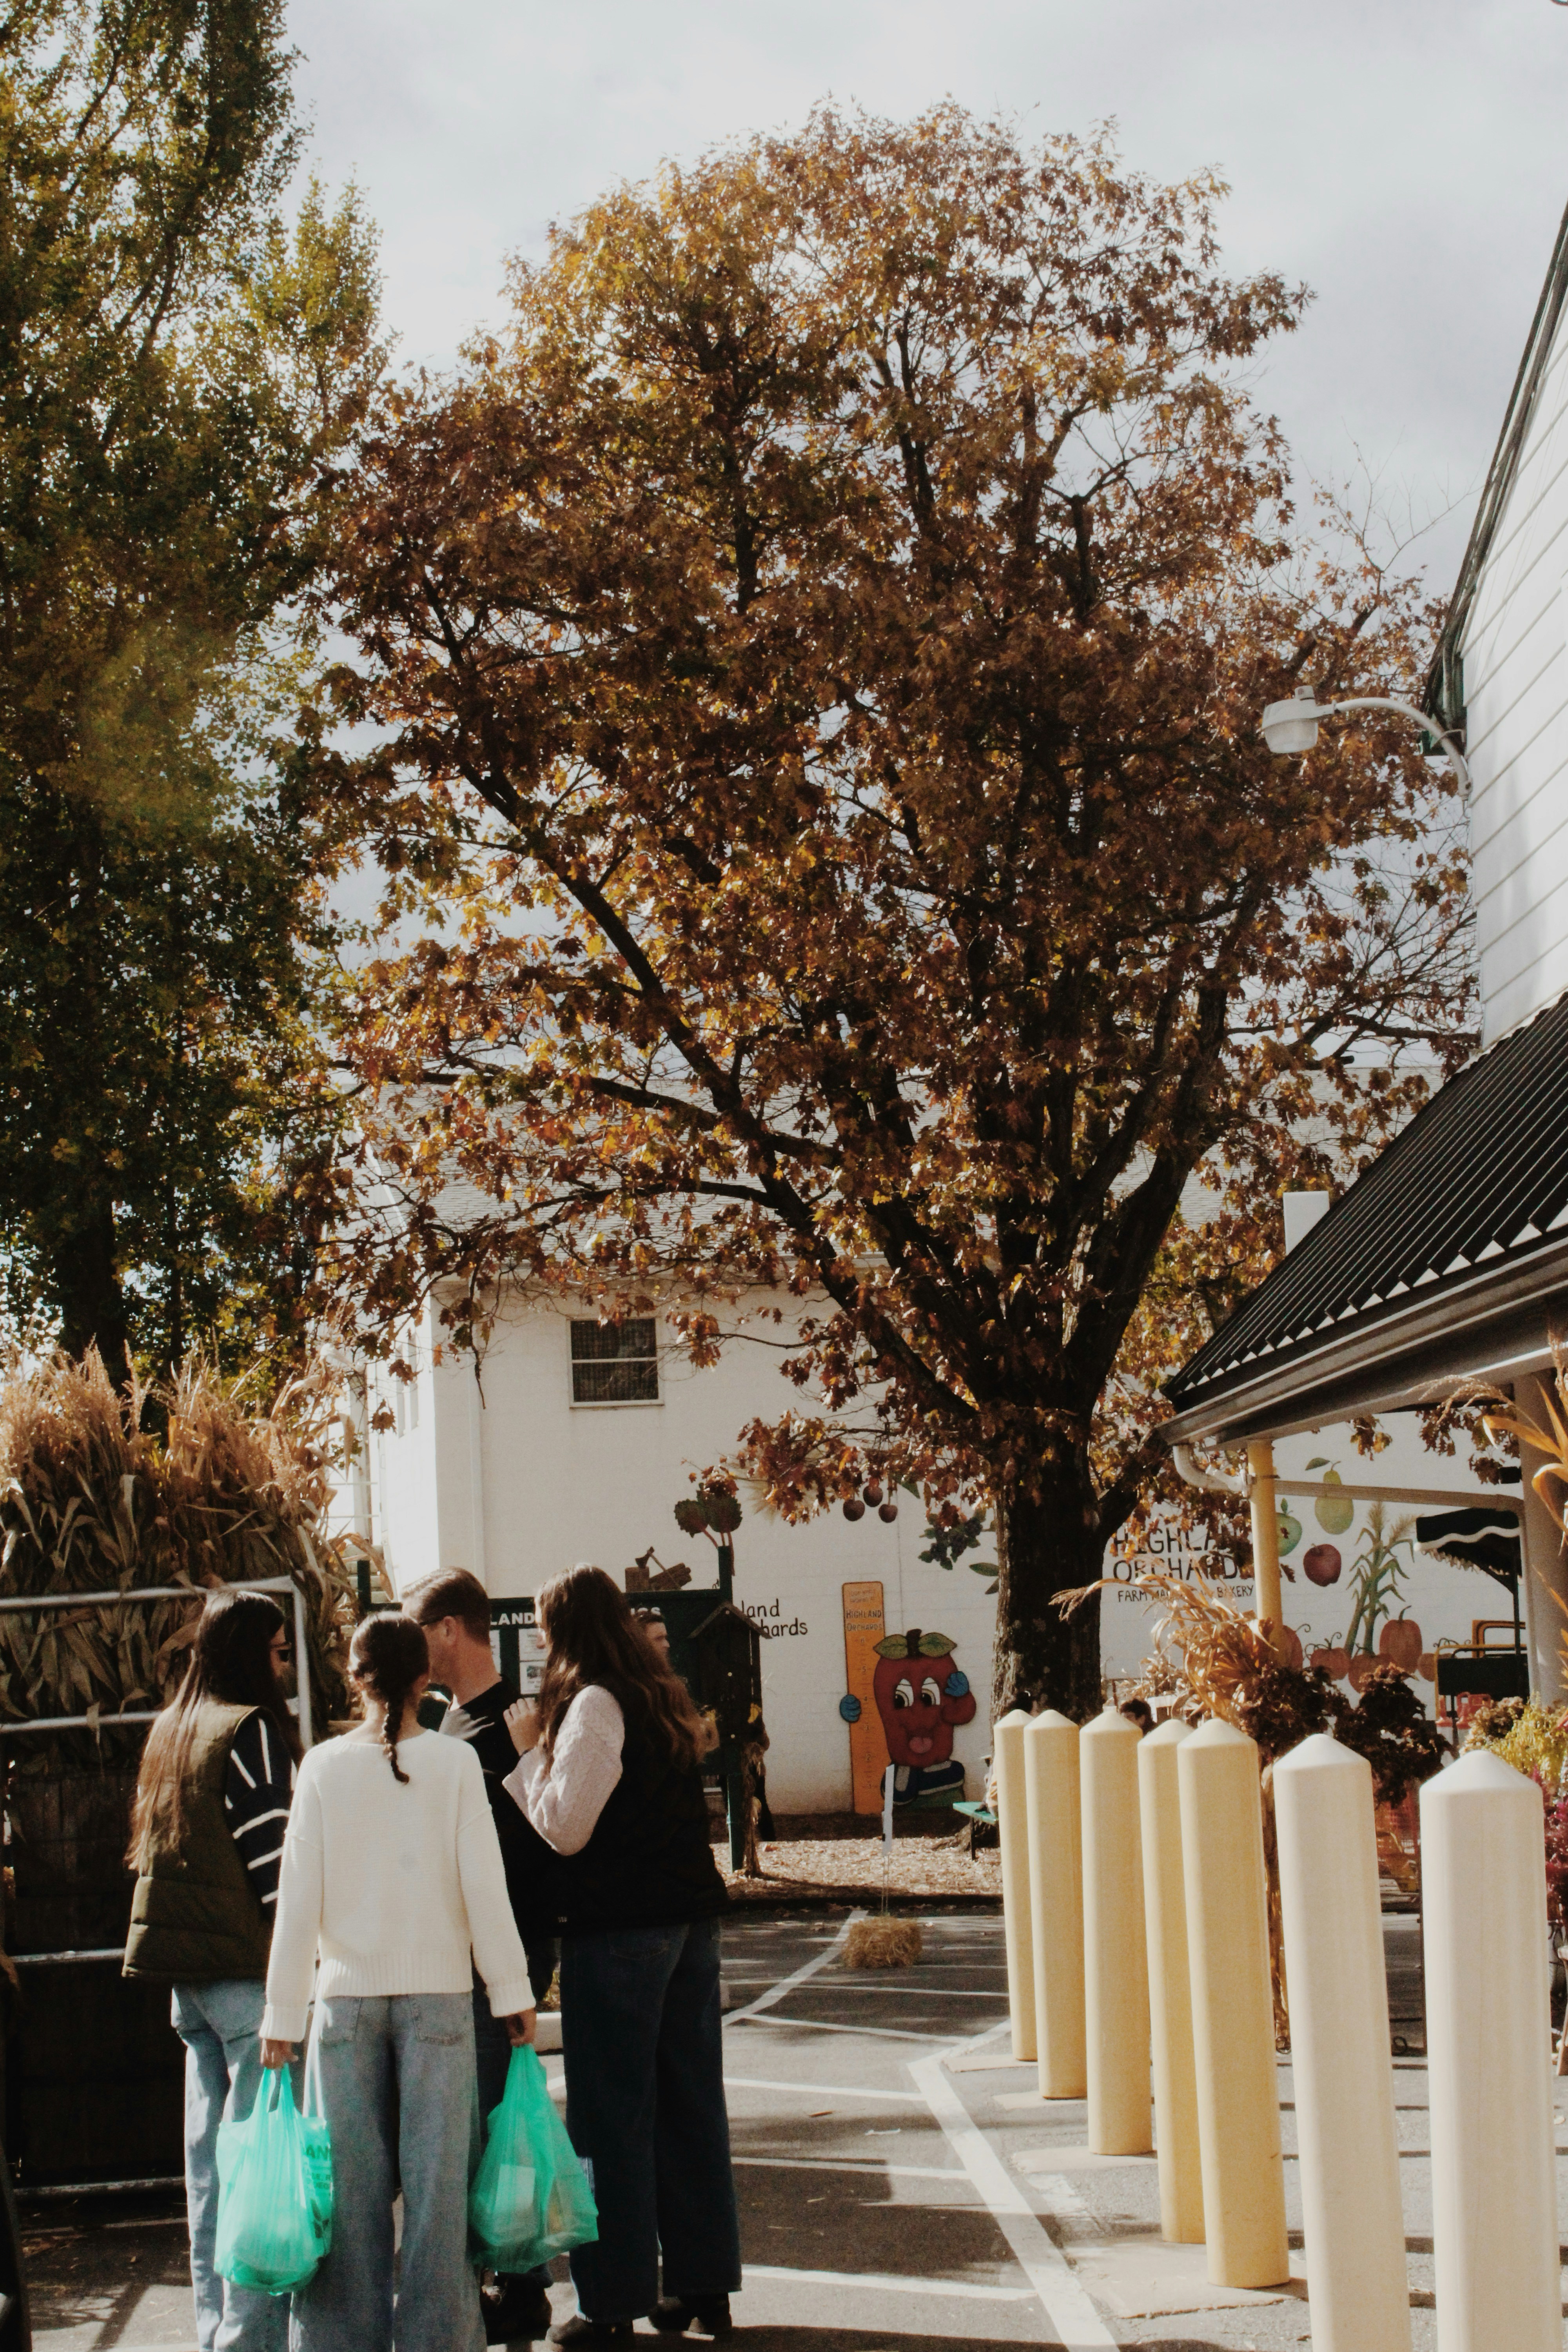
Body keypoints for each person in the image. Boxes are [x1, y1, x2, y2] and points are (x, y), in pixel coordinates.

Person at [260, 1614, 536, 2352]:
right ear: (424, 1679)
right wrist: (511, 1991)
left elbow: (298, 1897)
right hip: (441, 2001)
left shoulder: (320, 1767)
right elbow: (487, 1885)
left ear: (353, 1676)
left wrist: (283, 2014)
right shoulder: (453, 1766)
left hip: (341, 2004)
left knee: (350, 2200)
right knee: (439, 2197)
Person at [502, 1565, 739, 2348]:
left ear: (565, 1630)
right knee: (689, 2108)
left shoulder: (595, 1704)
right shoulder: (658, 1693)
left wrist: (527, 1756)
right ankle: (703, 2285)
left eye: (544, 1629)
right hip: (688, 1925)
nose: (539, 1643)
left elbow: (567, 1827)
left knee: (611, 2121)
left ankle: (611, 2302)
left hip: (621, 1931)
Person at [125, 1587, 301, 2352]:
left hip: (187, 1982)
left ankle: (215, 2333)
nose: (286, 1662)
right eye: (278, 1648)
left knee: (212, 2172)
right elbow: (275, 1864)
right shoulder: (251, 1730)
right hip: (244, 1977)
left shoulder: (173, 1727)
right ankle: (249, 2340)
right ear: (249, 1655)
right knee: (260, 2172)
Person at [405, 1569, 562, 2347]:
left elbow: (520, 1857)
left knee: (497, 2124)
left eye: (417, 1630)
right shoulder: (456, 1728)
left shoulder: (500, 1726)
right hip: (486, 1956)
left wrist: (510, 1972)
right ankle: (514, 2279)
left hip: (500, 1957)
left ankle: (523, 2285)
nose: (414, 1649)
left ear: (447, 1630)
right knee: (493, 2122)